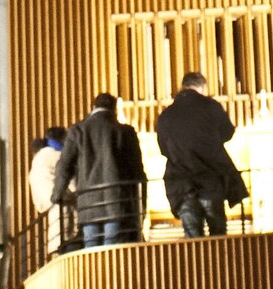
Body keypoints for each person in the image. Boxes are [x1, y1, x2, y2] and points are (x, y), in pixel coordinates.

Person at [155, 71, 246, 238]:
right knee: (218, 234)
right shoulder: (210, 106)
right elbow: (228, 132)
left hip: (181, 184)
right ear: (203, 87)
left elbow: (163, 149)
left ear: (182, 87)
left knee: (193, 238)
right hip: (210, 180)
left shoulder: (166, 115)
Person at [50, 94, 145, 247]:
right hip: (117, 202)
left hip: (89, 203)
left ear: (93, 107)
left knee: (91, 250)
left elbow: (64, 167)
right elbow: (138, 172)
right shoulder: (125, 132)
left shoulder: (78, 131)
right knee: (113, 250)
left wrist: (57, 194)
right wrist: (141, 208)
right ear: (114, 109)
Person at [27, 126, 72, 255]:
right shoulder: (54, 156)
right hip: (65, 205)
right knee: (68, 242)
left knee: (58, 245)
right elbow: (71, 173)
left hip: (52, 209)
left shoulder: (37, 161)